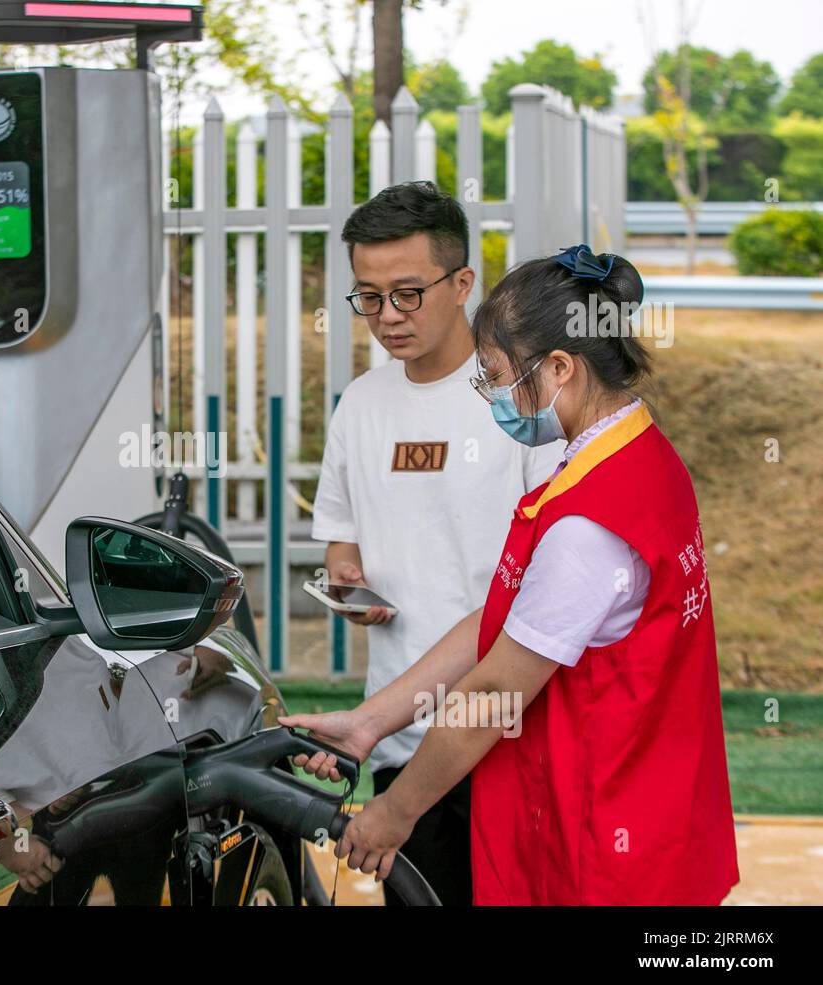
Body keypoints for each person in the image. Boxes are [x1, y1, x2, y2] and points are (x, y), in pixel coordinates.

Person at [285, 245, 740, 905]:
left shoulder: (590, 524)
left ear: (559, 369)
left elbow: (493, 695)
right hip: (640, 809)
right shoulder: (636, 458)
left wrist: (397, 811)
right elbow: (502, 622)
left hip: (601, 839)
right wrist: (370, 724)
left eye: (494, 376)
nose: (492, 396)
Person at [309, 181, 561, 904]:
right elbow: (339, 538)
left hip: (509, 736)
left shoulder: (523, 404)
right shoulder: (361, 403)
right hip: (397, 737)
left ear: (462, 284)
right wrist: (344, 584)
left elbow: (540, 583)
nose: (387, 316)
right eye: (368, 296)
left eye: (408, 293)